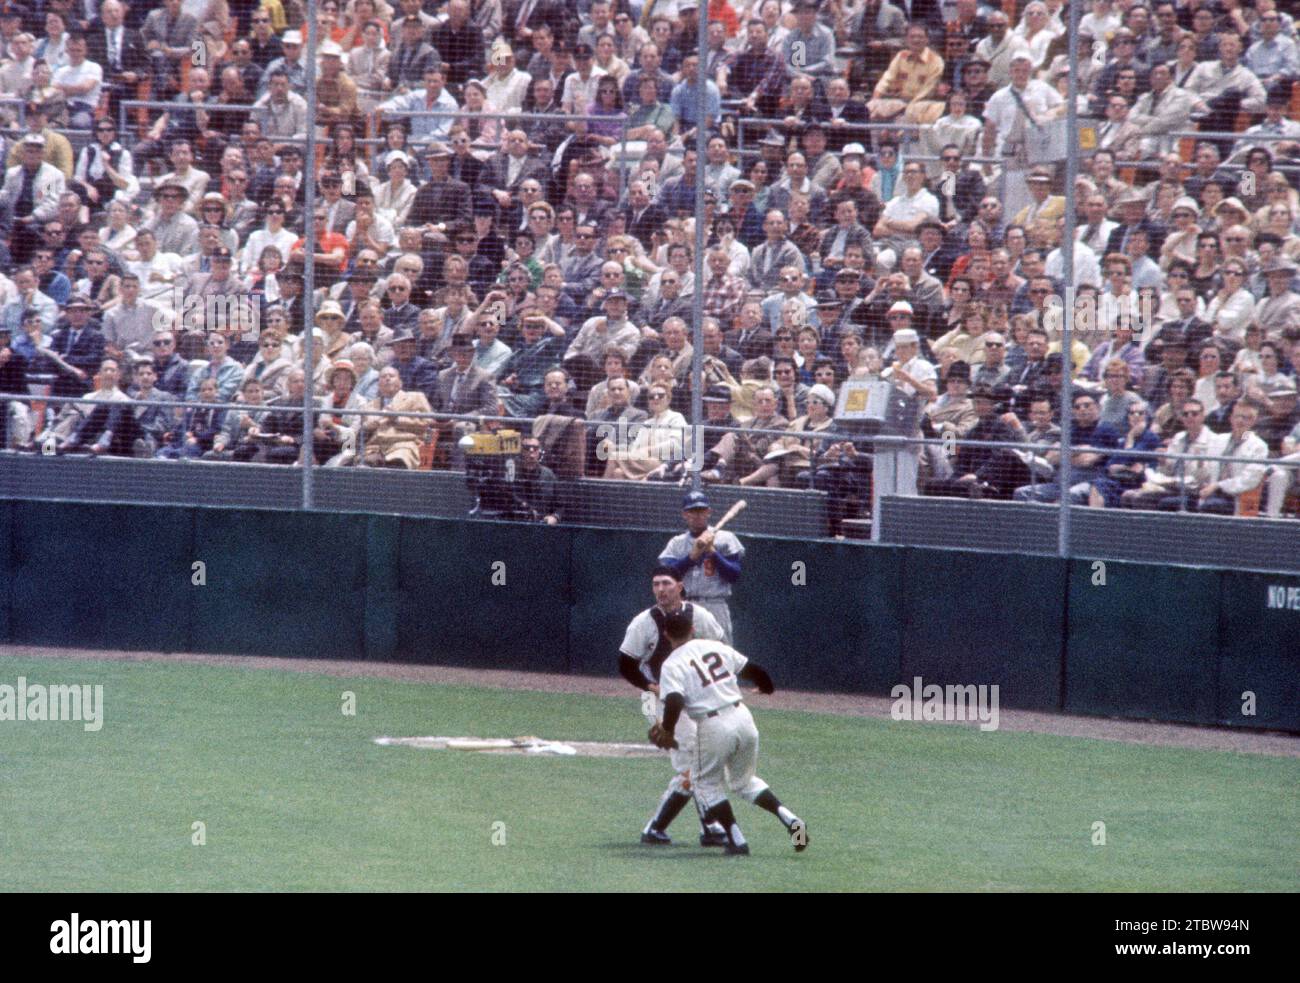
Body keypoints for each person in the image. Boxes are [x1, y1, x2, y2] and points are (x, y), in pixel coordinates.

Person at [651, 608, 806, 856]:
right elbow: (753, 670)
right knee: (744, 781)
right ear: (692, 629)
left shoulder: (671, 664)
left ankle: (736, 839)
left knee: (703, 784)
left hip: (713, 725)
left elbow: (675, 700)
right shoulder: (714, 646)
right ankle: (789, 819)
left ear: (666, 634)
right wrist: (766, 686)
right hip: (743, 717)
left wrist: (667, 729)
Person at [618, 566, 729, 848]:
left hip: (698, 699)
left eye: (666, 583)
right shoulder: (643, 622)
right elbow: (626, 664)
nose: (660, 589)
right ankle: (661, 827)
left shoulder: (700, 616)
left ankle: (708, 827)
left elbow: (719, 650)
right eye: (655, 584)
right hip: (660, 700)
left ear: (680, 586)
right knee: (693, 762)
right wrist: (650, 687)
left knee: (702, 762)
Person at [657, 491, 744, 644]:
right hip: (684, 606)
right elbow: (667, 575)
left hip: (715, 604)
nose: (697, 515)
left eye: (701, 510)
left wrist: (712, 552)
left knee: (721, 654)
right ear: (685, 514)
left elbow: (734, 575)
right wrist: (691, 557)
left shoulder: (725, 538)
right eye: (693, 511)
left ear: (708, 512)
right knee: (683, 654)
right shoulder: (677, 543)